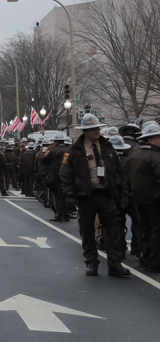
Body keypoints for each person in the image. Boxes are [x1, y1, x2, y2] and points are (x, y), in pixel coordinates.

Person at [60, 113, 129, 277]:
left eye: (97, 128)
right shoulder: (75, 150)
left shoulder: (107, 147)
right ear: (85, 131)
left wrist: (123, 192)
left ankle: (115, 263)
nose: (96, 132)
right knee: (87, 230)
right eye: (93, 129)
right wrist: (69, 194)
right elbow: (66, 173)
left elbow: (118, 171)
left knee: (113, 229)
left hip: (106, 194)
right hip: (86, 196)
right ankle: (91, 262)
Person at [127, 121, 160, 272]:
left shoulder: (134, 154)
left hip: (138, 197)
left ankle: (144, 257)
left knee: (143, 228)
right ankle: (154, 262)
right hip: (155, 199)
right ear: (151, 139)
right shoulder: (156, 156)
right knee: (156, 230)